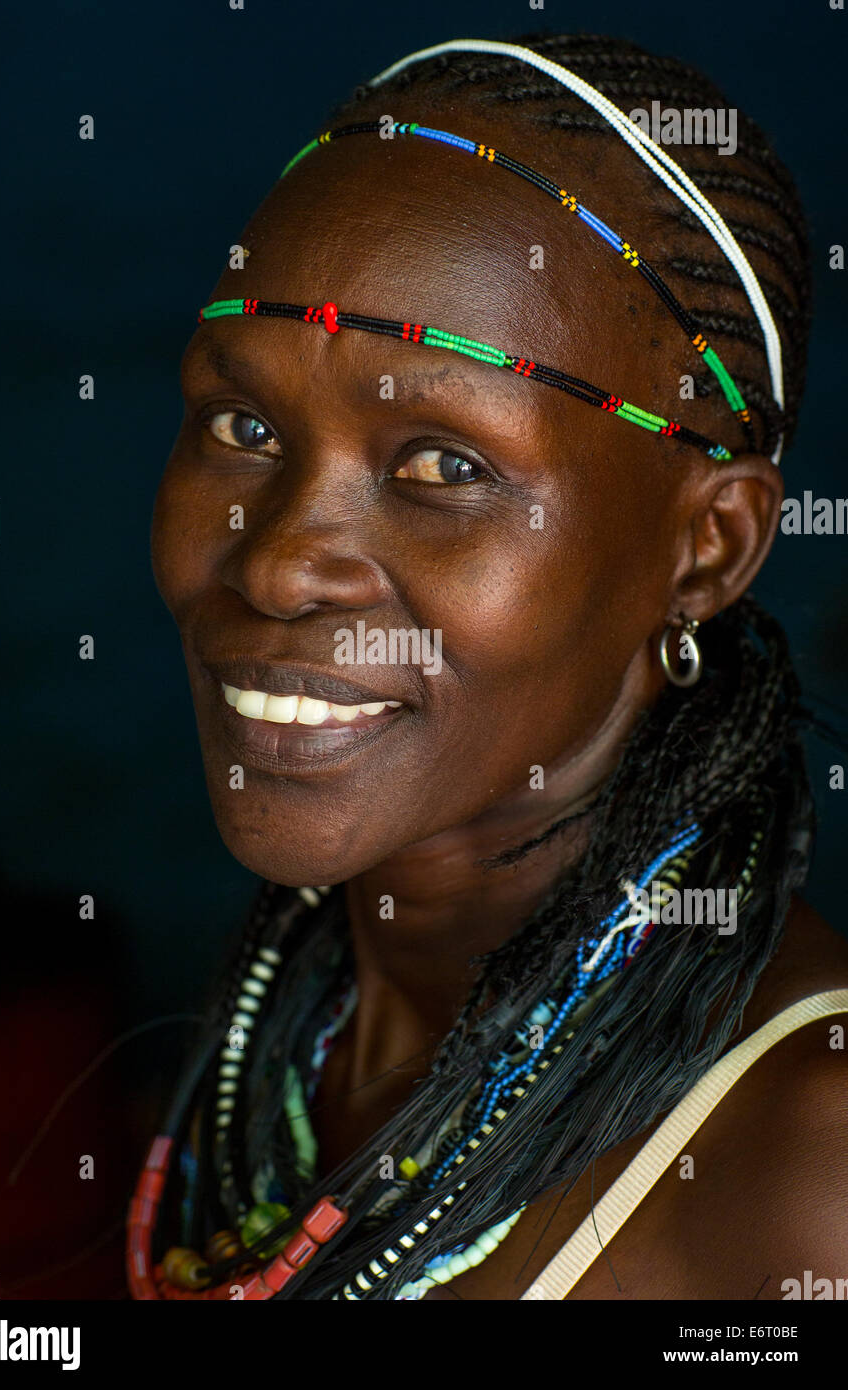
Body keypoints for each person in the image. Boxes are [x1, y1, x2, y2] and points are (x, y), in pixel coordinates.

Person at [137, 32, 848, 1301]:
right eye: (244, 430)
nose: (283, 564)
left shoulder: (808, 1173)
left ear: (707, 546)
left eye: (443, 465)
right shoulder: (299, 1038)